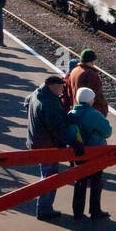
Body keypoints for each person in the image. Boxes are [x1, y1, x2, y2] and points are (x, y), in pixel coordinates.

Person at [27, 75, 78, 221]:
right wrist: (73, 142)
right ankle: (44, 209)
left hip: (37, 141)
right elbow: (57, 127)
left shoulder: (37, 94)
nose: (62, 89)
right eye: (61, 86)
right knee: (49, 177)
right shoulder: (49, 103)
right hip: (47, 145)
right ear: (53, 86)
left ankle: (44, 208)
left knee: (47, 175)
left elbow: (26, 102)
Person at [67, 87, 113, 221]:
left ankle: (77, 211)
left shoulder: (71, 113)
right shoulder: (94, 114)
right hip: (95, 152)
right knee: (96, 181)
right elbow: (107, 132)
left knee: (80, 181)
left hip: (78, 152)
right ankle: (95, 210)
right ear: (90, 100)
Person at [65, 49, 109, 116]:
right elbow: (97, 96)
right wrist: (103, 111)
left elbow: (69, 91)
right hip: (90, 113)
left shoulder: (74, 71)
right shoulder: (91, 74)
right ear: (92, 61)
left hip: (76, 109)